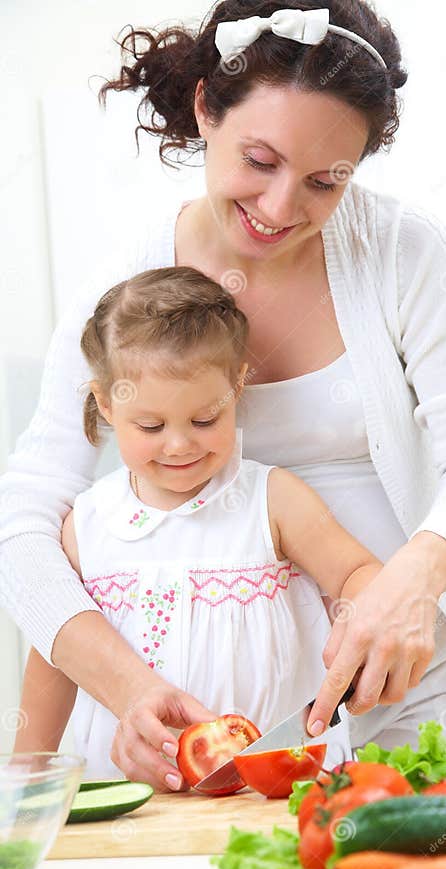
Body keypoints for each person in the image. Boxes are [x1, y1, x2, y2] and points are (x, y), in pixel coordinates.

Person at [0, 0, 446, 793]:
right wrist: (127, 689)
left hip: (411, 687)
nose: (281, 209)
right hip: (235, 728)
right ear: (206, 109)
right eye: (259, 161)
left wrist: (410, 582)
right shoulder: (125, 292)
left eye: (325, 181)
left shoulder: (405, 253)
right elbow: (24, 523)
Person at [13, 266, 384, 780]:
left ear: (237, 387)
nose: (179, 444)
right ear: (106, 404)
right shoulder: (86, 527)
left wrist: (364, 618)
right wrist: (25, 777)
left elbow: (357, 573)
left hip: (273, 792)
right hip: (135, 801)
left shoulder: (273, 501)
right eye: (150, 425)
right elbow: (57, 655)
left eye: (205, 419)